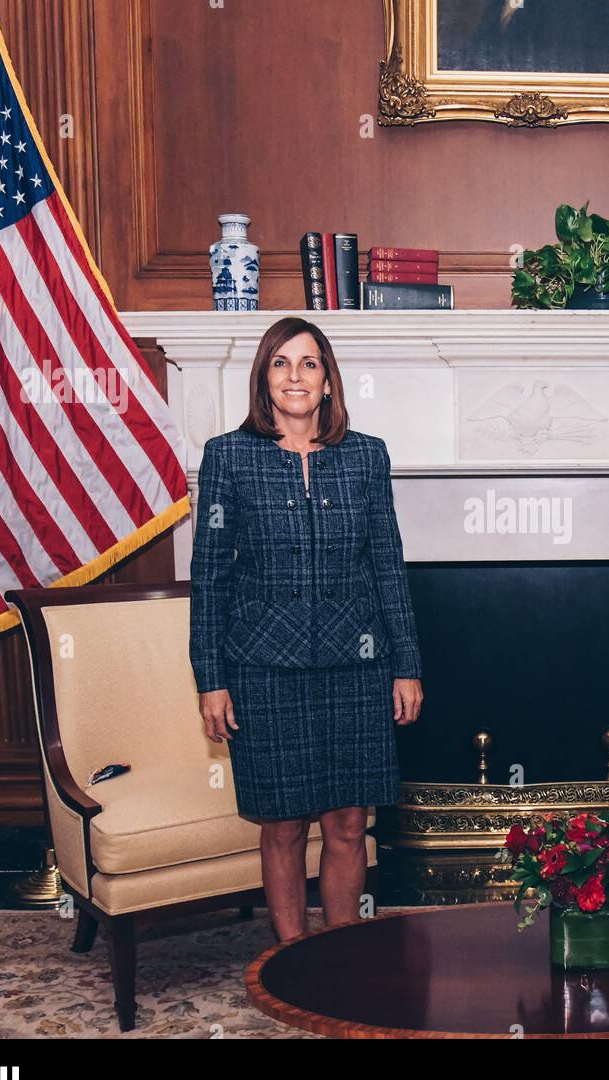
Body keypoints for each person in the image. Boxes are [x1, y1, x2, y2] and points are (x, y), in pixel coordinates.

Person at [189, 316, 424, 942]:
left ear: (328, 382)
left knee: (348, 823)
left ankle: (343, 955)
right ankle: (293, 959)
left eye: (309, 364)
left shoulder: (367, 456)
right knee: (284, 825)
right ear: (265, 381)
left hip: (357, 668)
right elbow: (209, 577)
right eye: (281, 363)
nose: (296, 376)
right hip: (263, 671)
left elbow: (388, 568)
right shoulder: (228, 457)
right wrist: (211, 680)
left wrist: (407, 665)